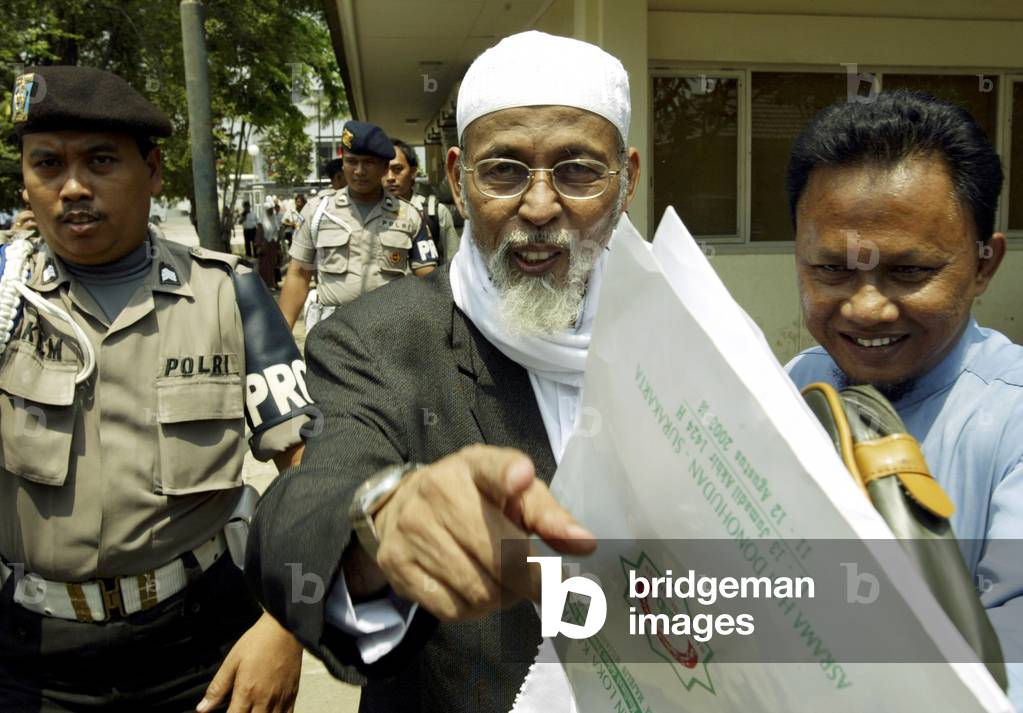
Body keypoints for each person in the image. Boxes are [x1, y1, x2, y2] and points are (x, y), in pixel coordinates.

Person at [246, 31, 640, 711]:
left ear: (625, 179)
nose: (540, 207)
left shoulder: (677, 332)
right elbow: (305, 504)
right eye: (504, 171)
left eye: (577, 171)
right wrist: (380, 522)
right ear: (457, 180)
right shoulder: (377, 342)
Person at [0, 65, 311, 712]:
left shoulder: (228, 294)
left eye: (102, 160)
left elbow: (316, 473)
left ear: (154, 171)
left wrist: (287, 623)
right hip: (30, 657)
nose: (74, 187)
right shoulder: (5, 303)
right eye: (48, 164)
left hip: (201, 648)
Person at [784, 89, 1022, 709]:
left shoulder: (1012, 422)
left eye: (910, 272)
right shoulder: (793, 387)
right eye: (831, 270)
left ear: (982, 265)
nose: (865, 308)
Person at [277, 120, 439, 331]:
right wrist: (281, 339)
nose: (359, 171)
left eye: (369, 162)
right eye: (352, 161)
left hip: (390, 331)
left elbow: (428, 278)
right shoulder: (317, 211)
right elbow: (298, 273)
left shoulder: (409, 215)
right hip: (333, 332)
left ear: (383, 166)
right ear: (343, 163)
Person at [384, 139, 461, 262]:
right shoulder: (368, 214)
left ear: (413, 172)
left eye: (397, 169)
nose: (390, 177)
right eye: (384, 170)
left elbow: (454, 262)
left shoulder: (435, 213)